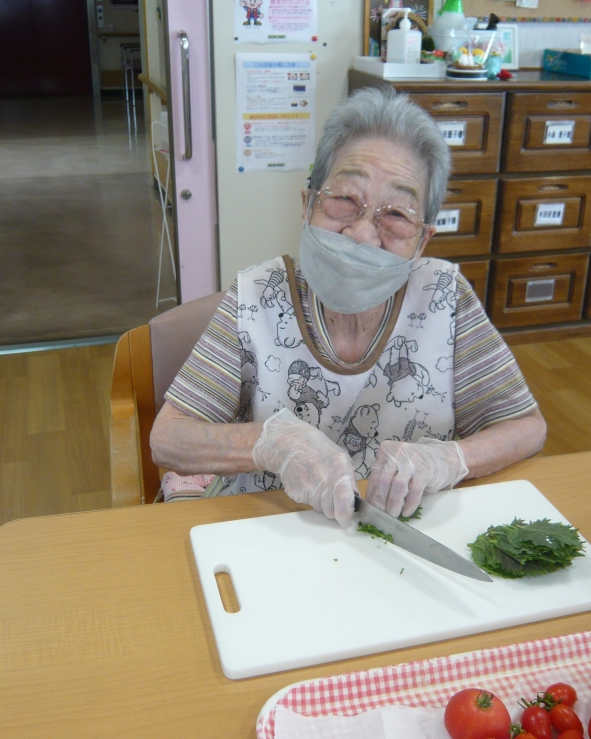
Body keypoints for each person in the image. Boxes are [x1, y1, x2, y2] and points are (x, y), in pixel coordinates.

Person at [150, 88, 546, 527]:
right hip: (270, 529)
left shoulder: (444, 297)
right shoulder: (256, 296)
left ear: (422, 241)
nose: (362, 235)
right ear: (308, 206)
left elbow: (526, 426)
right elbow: (168, 438)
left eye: (397, 215)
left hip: (400, 531)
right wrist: (271, 443)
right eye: (344, 200)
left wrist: (451, 458)